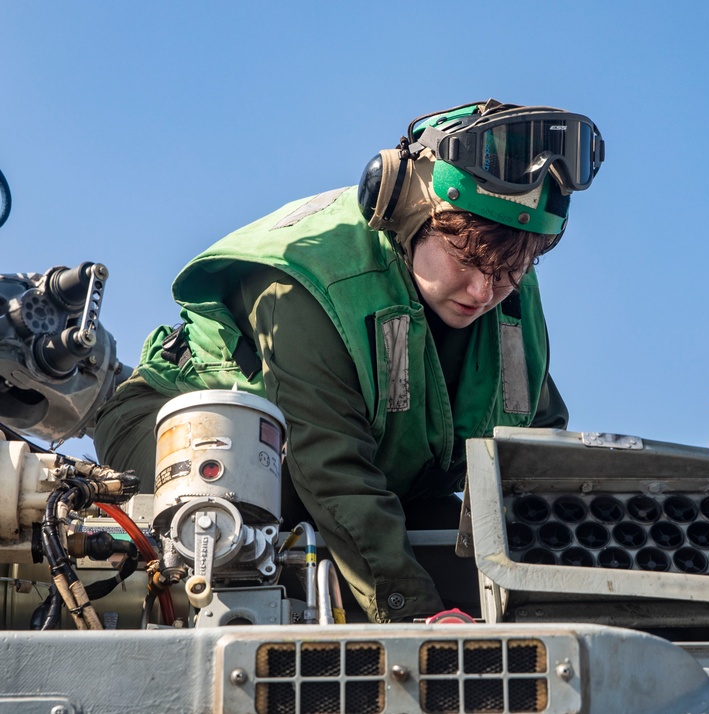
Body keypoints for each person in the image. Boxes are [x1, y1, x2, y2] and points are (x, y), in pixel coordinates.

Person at [93, 99, 604, 622]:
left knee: (487, 588)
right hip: (189, 433)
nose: (484, 289)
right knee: (270, 496)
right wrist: (415, 622)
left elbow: (537, 454)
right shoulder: (309, 281)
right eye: (468, 259)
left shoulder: (507, 290)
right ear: (409, 212)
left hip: (384, 479)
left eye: (509, 271)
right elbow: (331, 471)